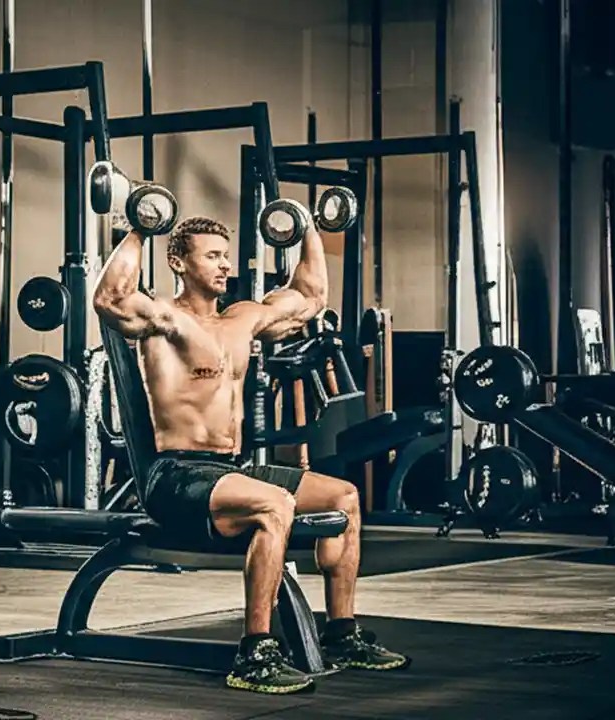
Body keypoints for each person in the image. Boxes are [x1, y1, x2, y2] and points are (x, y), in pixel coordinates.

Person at [91, 213, 409, 695]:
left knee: (342, 497)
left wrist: (306, 228)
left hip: (229, 469)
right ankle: (255, 651)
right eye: (212, 256)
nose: (224, 265)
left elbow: (310, 297)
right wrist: (139, 226)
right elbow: (110, 297)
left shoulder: (243, 318)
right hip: (175, 474)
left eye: (226, 255)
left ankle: (342, 633)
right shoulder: (164, 319)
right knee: (273, 503)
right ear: (178, 262)